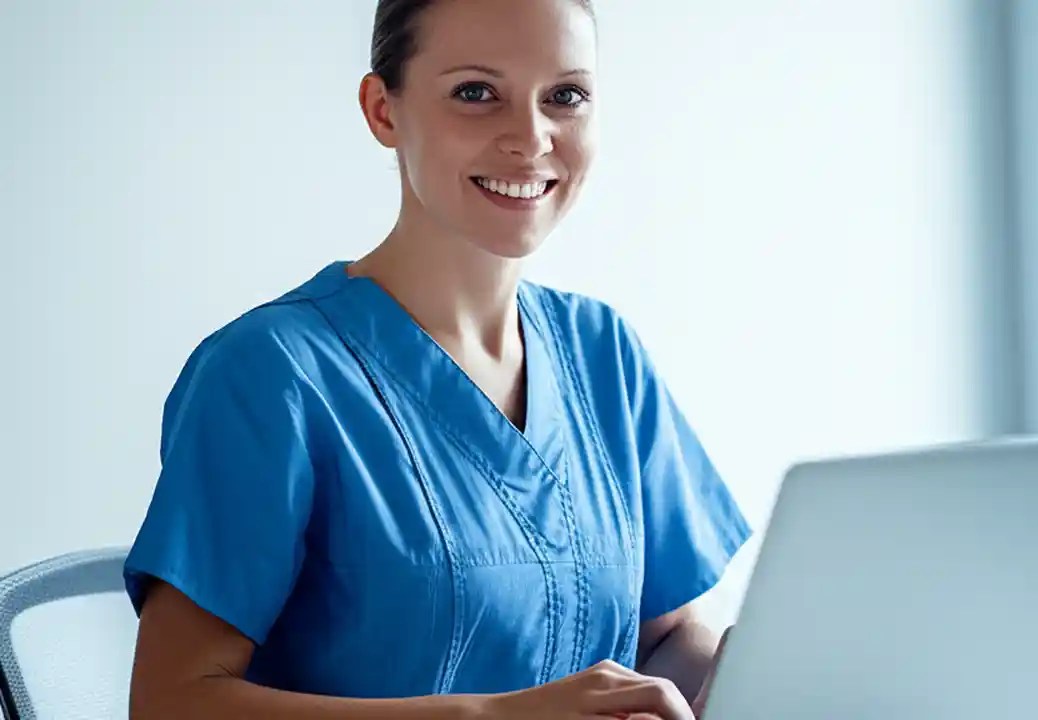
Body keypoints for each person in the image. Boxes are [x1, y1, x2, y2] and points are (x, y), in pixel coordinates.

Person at [122, 0, 751, 718]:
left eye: (565, 96)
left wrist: (747, 669)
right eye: (476, 93)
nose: (533, 138)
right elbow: (170, 703)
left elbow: (668, 635)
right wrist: (487, 717)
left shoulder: (604, 355)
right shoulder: (271, 375)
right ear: (383, 111)